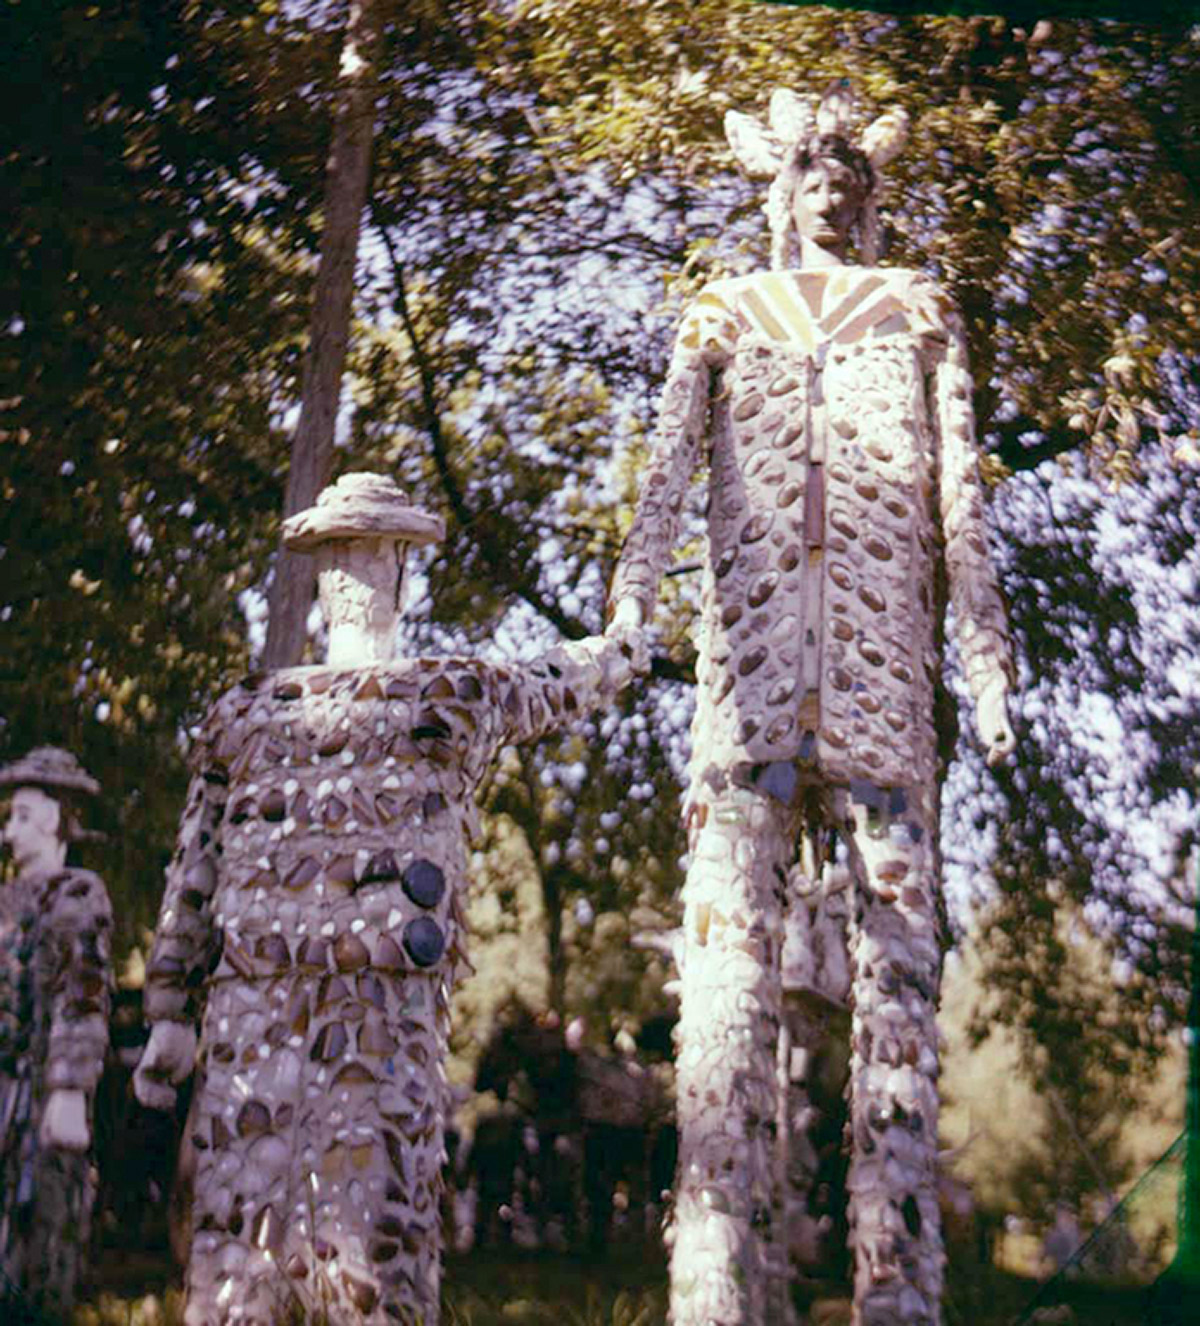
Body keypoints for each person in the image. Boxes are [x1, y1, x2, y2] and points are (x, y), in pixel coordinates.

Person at [607, 86, 1015, 1325]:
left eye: (853, 180)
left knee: (897, 998)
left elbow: (961, 501)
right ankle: (717, 1289)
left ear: (872, 197)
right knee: (725, 1002)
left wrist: (985, 657)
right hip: (748, 690)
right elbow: (666, 473)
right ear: (780, 193)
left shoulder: (918, 310)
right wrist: (630, 609)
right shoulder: (724, 313)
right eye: (814, 179)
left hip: (883, 690)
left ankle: (898, 1289)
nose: (833, 196)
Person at [134, 473, 642, 1326]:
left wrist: (624, 642)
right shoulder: (275, 711)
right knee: (267, 1235)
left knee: (351, 1231)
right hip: (288, 998)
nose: (359, 574)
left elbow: (558, 678)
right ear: (365, 573)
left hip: (353, 999)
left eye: (364, 556)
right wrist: (168, 1011)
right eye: (353, 557)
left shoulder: (424, 696)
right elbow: (198, 863)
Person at [0, 747, 113, 1320]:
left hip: (37, 1102)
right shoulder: (5, 901)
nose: (9, 832)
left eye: (22, 816)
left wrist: (68, 1087)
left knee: (37, 1239)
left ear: (50, 820)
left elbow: (81, 991)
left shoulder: (77, 895)